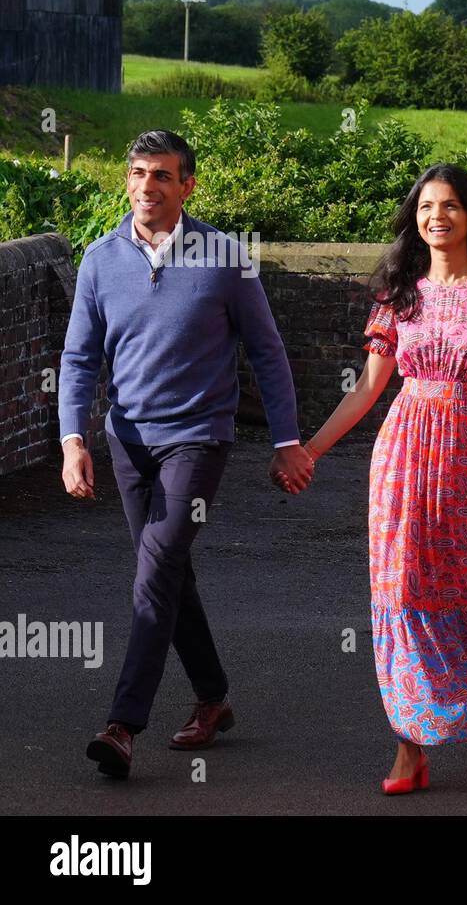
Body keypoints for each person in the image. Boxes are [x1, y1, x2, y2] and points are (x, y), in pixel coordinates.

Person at [58, 130, 314, 779]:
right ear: (127, 180)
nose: (149, 185)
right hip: (128, 441)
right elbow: (80, 358)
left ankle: (122, 724)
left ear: (188, 185)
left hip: (199, 437)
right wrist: (72, 441)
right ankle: (214, 695)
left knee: (157, 564)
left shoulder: (226, 258)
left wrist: (287, 440)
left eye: (163, 175)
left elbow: (267, 350)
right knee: (168, 571)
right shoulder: (99, 259)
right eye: (139, 172)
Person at [304, 162, 467, 795]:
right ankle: (410, 748)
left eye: (452, 205)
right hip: (403, 456)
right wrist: (312, 450)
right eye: (427, 206)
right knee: (402, 592)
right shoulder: (398, 296)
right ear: (415, 219)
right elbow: (369, 389)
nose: (438, 216)